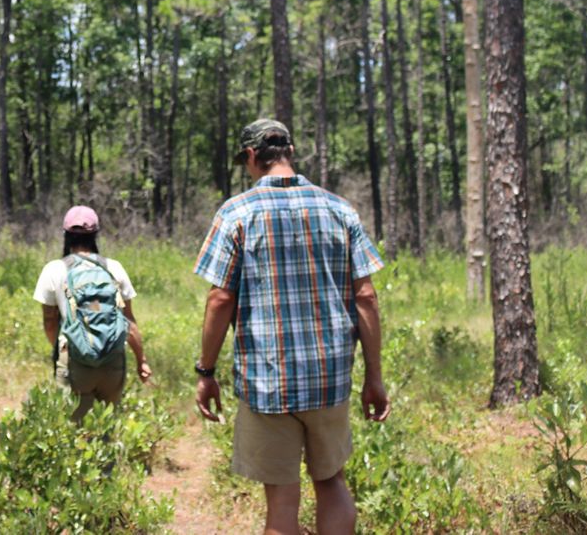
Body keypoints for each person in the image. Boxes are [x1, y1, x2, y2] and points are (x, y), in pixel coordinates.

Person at [193, 119, 390, 535]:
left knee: (281, 503)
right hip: (329, 377)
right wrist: (374, 376)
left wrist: (206, 371)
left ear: (251, 156)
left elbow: (220, 299)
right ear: (291, 152)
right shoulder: (339, 209)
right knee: (331, 481)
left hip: (268, 380)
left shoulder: (236, 213)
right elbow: (366, 297)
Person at [33, 205, 153, 422]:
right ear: (95, 235)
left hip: (74, 361)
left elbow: (50, 322)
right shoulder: (114, 268)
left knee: (72, 428)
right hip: (112, 361)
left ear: (66, 235)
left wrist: (63, 348)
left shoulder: (54, 269)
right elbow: (129, 321)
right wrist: (141, 360)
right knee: (106, 425)